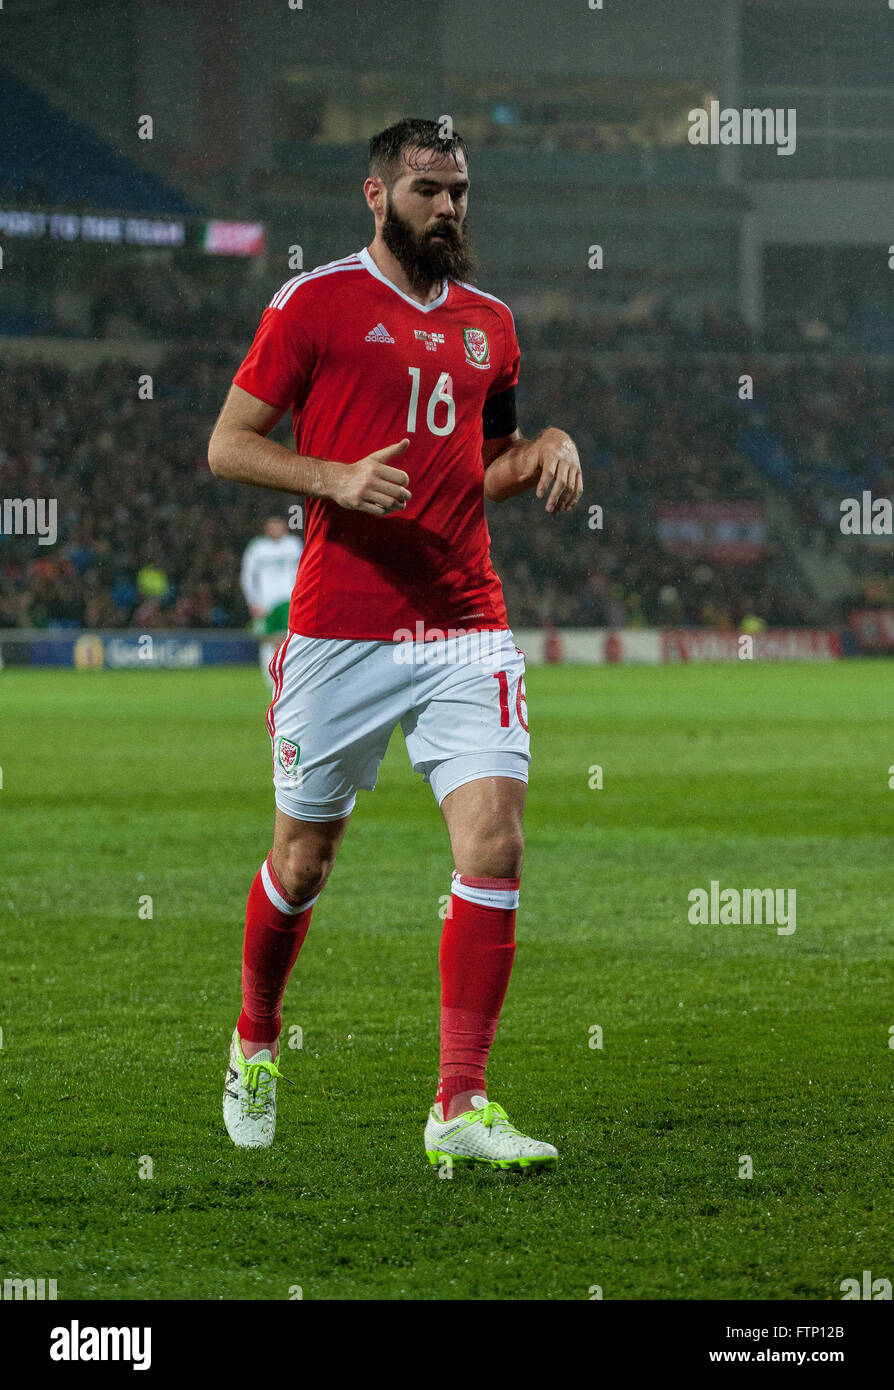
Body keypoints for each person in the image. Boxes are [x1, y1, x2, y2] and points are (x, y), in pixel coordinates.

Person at [208, 117, 583, 1168]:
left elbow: (493, 460)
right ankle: (256, 1036)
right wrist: (330, 474)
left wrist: (544, 447)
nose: (450, 208)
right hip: (342, 629)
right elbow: (228, 444)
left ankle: (458, 1102)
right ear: (376, 197)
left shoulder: (493, 325)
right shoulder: (313, 302)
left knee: (496, 841)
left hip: (467, 620)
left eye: (460, 190)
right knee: (303, 858)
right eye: (429, 190)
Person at [240, 516, 303, 687]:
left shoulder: (293, 544)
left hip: (289, 599)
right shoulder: (257, 547)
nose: (275, 529)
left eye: (278, 526)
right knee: (268, 640)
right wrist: (253, 601)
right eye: (272, 526)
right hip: (265, 602)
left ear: (284, 527)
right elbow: (247, 576)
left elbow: (303, 572)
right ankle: (271, 679)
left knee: (290, 638)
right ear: (267, 528)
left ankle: (289, 675)